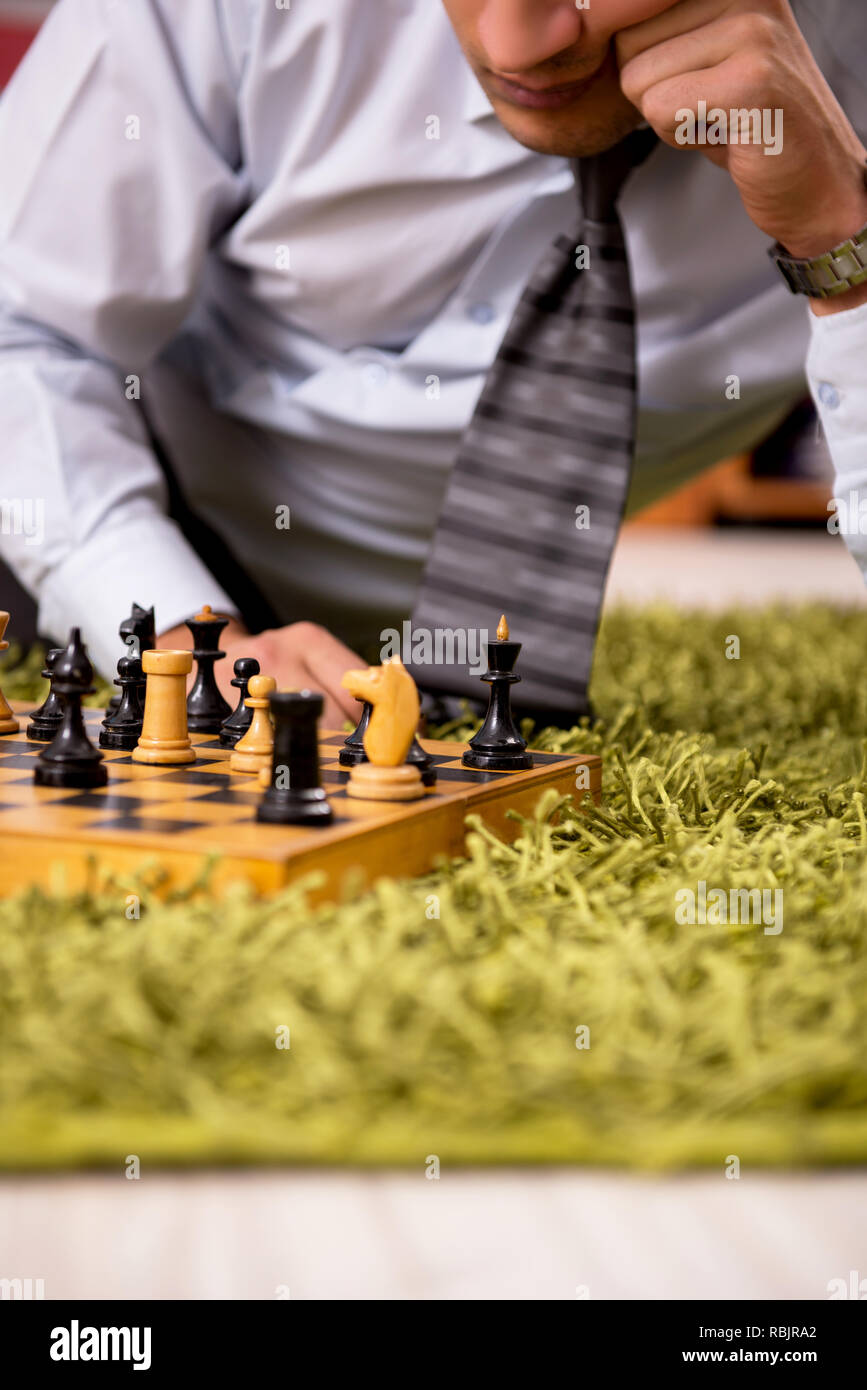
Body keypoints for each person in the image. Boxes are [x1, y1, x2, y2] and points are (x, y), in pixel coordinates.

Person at [0, 0, 865, 727]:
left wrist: (842, 240)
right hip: (95, 522)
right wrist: (180, 642)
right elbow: (24, 328)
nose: (516, 46)